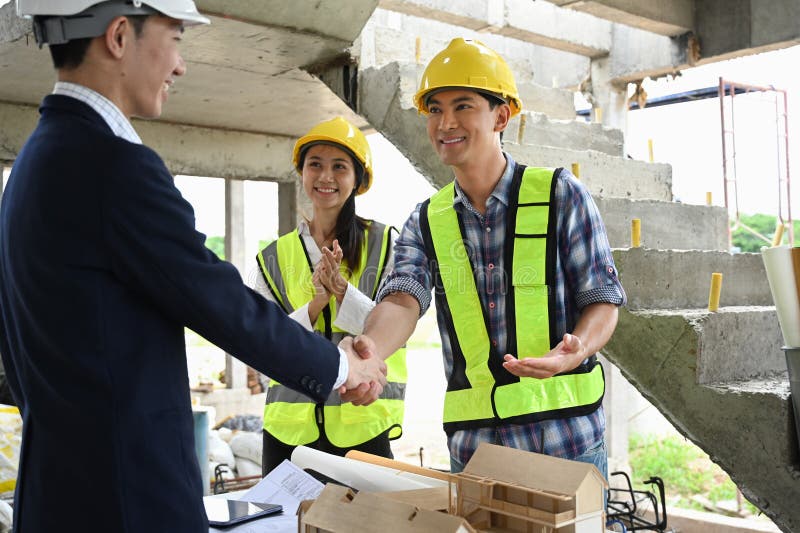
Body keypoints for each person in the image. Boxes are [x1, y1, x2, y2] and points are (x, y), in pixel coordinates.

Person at [0, 2, 385, 532]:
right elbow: (218, 300)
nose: (180, 65)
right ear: (118, 37)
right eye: (176, 38)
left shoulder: (32, 165)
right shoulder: (113, 166)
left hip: (59, 495)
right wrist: (341, 367)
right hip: (126, 501)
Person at [345, 38, 627, 478]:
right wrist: (369, 351)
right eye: (434, 109)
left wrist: (577, 350)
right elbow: (402, 300)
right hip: (476, 452)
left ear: (501, 115)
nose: (446, 122)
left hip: (566, 444)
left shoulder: (560, 195)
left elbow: (603, 300)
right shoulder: (426, 220)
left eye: (463, 106)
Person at [253, 116, 406, 474]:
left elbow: (395, 327)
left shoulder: (387, 245)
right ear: (302, 173)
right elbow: (264, 340)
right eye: (315, 165)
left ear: (357, 179)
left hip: (363, 422)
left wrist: (342, 293)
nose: (325, 177)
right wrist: (316, 303)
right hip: (288, 431)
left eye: (339, 167)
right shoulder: (271, 257)